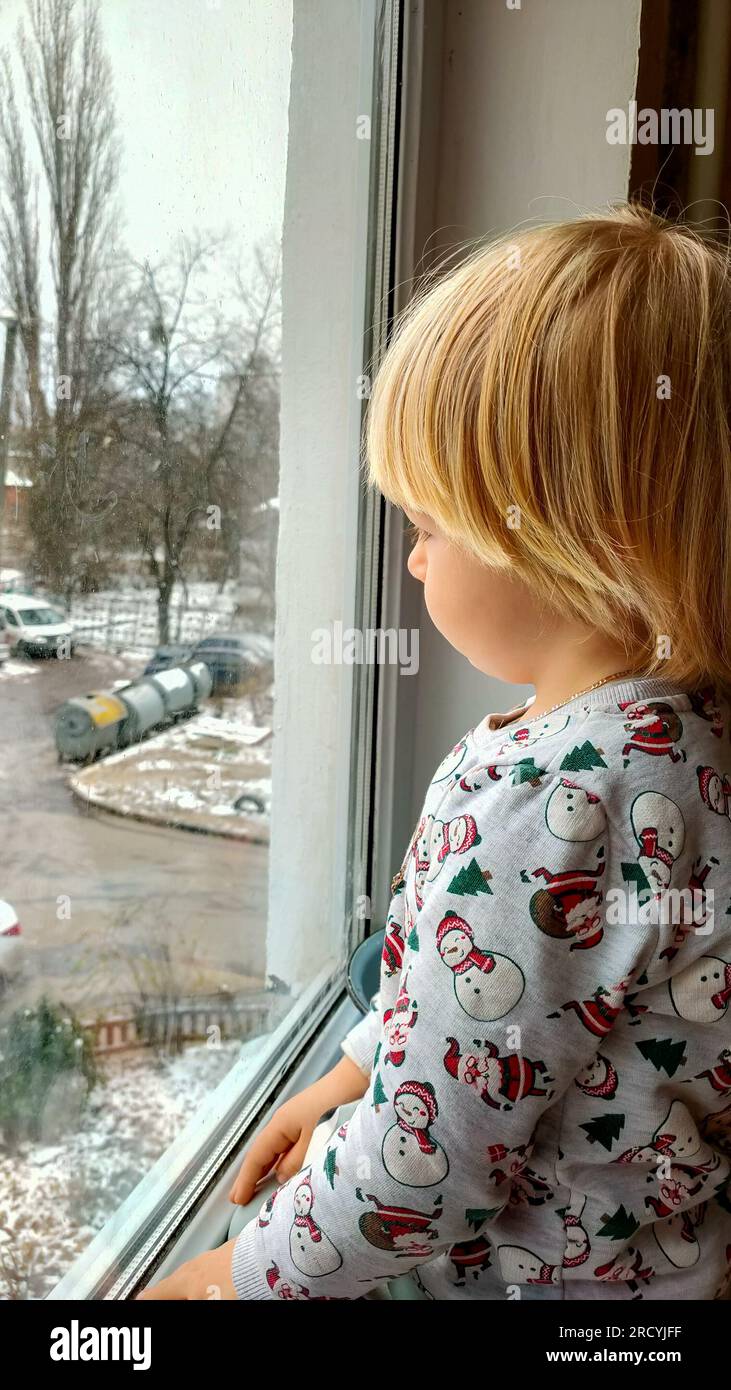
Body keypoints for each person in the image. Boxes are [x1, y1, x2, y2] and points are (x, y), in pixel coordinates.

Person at [140, 203, 731, 1301]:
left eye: (431, 525)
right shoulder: (679, 734)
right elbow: (480, 997)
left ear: (578, 535)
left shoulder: (554, 799)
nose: (412, 562)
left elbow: (420, 1180)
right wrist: (358, 1069)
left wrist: (228, 1281)